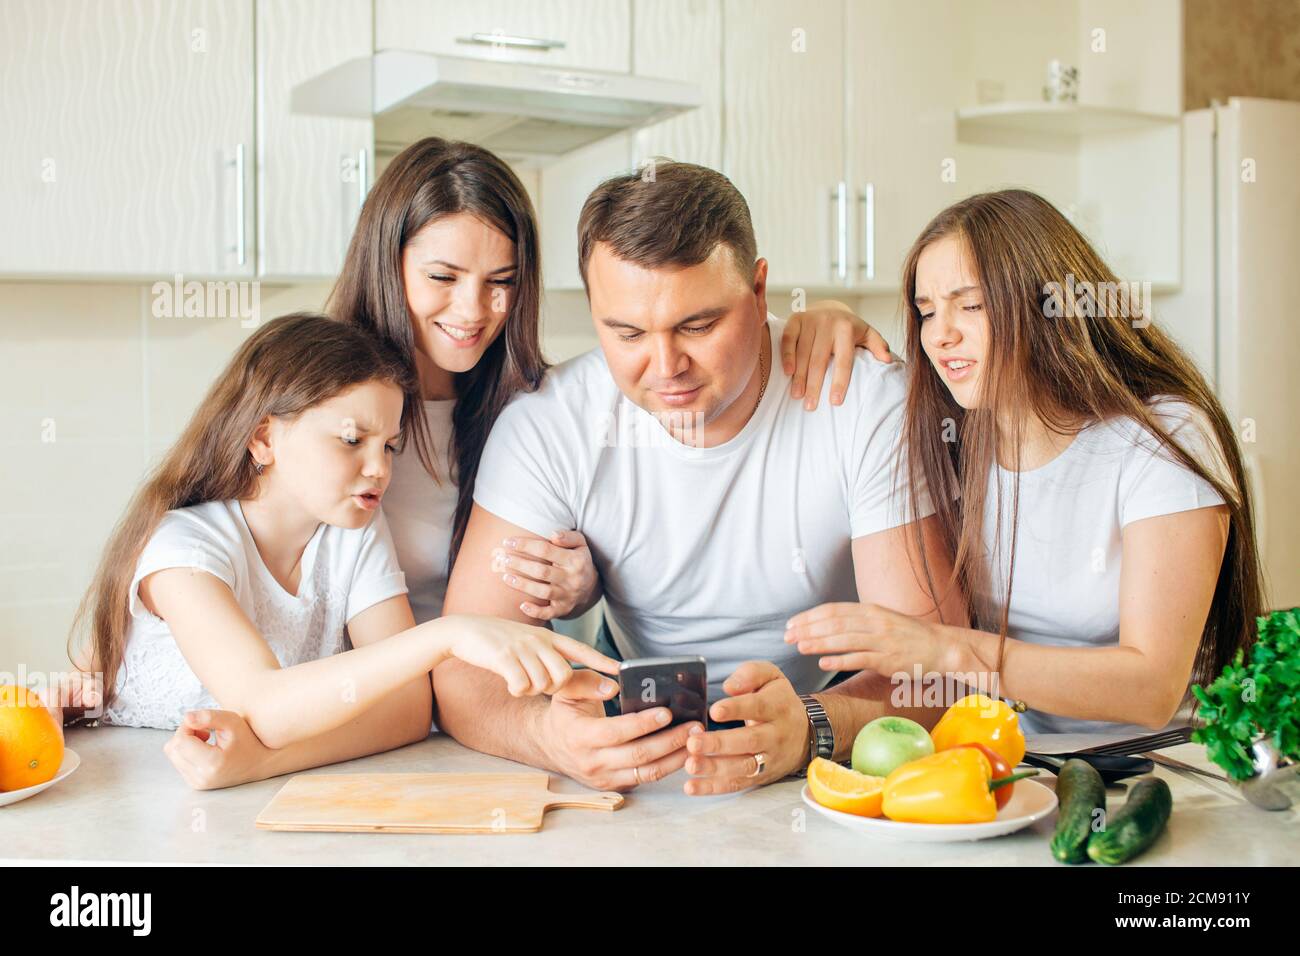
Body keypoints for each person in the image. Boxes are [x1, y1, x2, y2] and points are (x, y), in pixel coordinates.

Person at [435, 161, 966, 794]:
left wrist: (812, 726)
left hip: (833, 719)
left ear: (760, 289)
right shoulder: (549, 422)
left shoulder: (866, 401)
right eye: (627, 331)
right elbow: (463, 673)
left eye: (698, 325)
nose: (666, 367)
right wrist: (549, 737)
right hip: (629, 714)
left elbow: (938, 669)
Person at [58, 313, 616, 789]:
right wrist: (446, 634)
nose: (379, 469)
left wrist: (264, 762)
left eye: (390, 445)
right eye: (352, 440)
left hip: (227, 793)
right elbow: (264, 704)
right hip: (129, 784)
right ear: (263, 438)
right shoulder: (183, 547)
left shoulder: (355, 532)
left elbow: (408, 710)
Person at [786, 189, 1263, 734]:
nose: (941, 335)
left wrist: (944, 650)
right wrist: (830, 315)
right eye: (926, 311)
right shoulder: (948, 432)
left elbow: (1152, 687)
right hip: (1015, 762)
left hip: (1156, 766)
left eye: (971, 306)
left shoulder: (1163, 434)